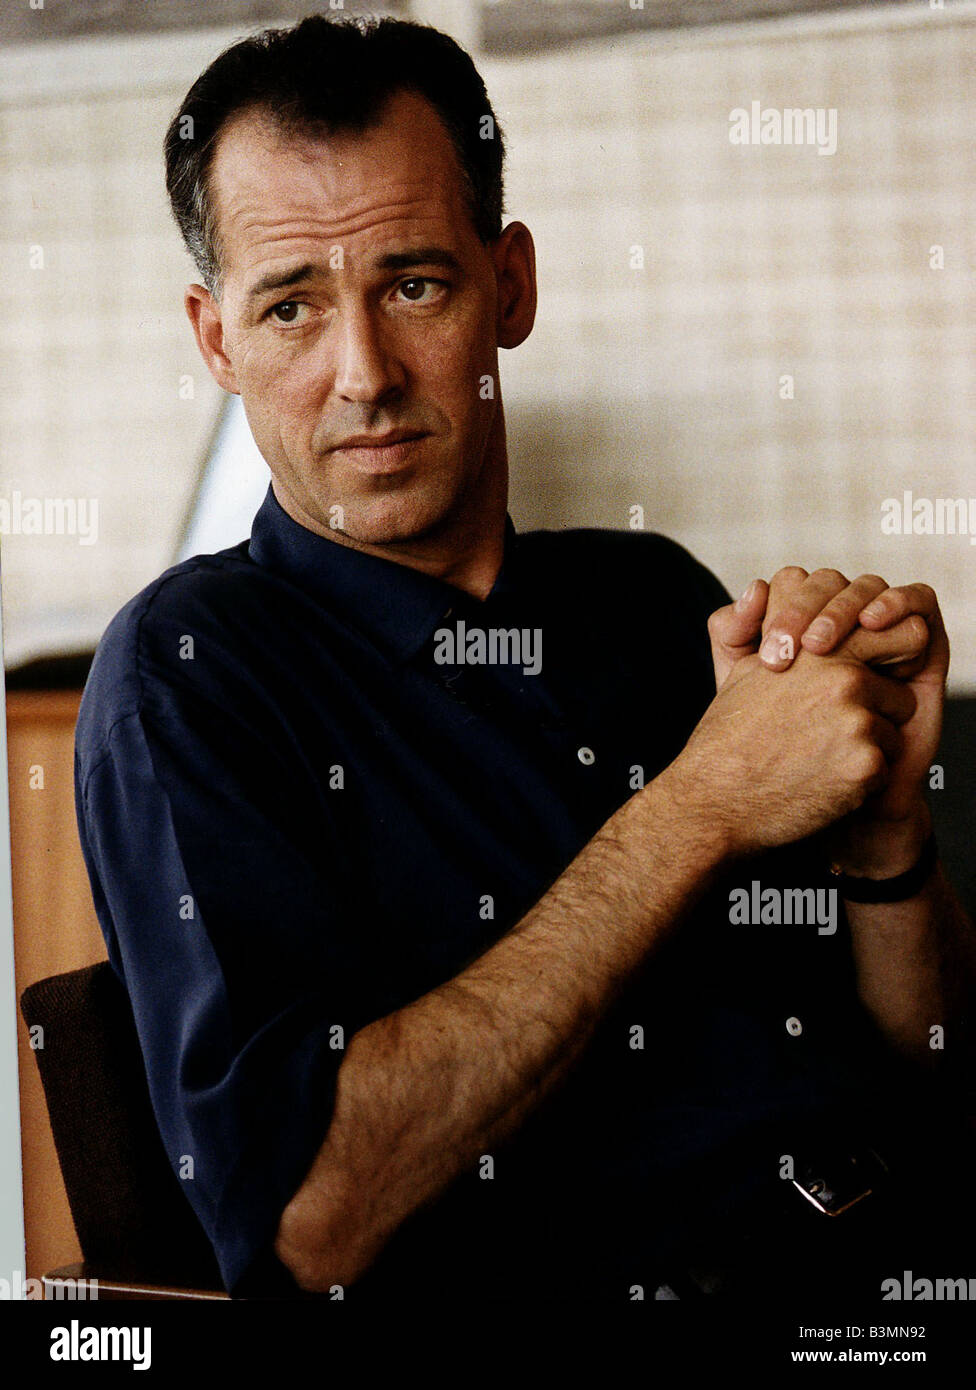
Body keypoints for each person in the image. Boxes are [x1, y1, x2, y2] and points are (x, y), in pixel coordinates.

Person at [75, 15, 976, 1301]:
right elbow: (308, 1221)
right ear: (218, 342)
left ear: (510, 286)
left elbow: (926, 1060)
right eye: (290, 306)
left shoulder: (653, 594)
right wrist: (700, 805)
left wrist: (886, 827)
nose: (363, 374)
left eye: (413, 285)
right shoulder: (186, 674)